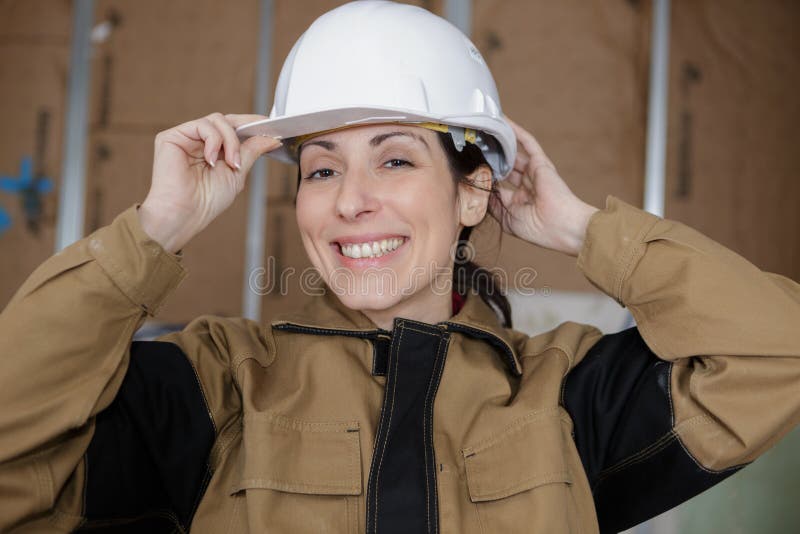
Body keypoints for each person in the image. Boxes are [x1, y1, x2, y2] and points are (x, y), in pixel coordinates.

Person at [0, 2, 798, 533]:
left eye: (394, 161)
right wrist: (154, 229)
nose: (351, 202)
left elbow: (779, 351)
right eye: (320, 169)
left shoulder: (568, 397)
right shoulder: (218, 385)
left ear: (472, 193)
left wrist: (580, 228)